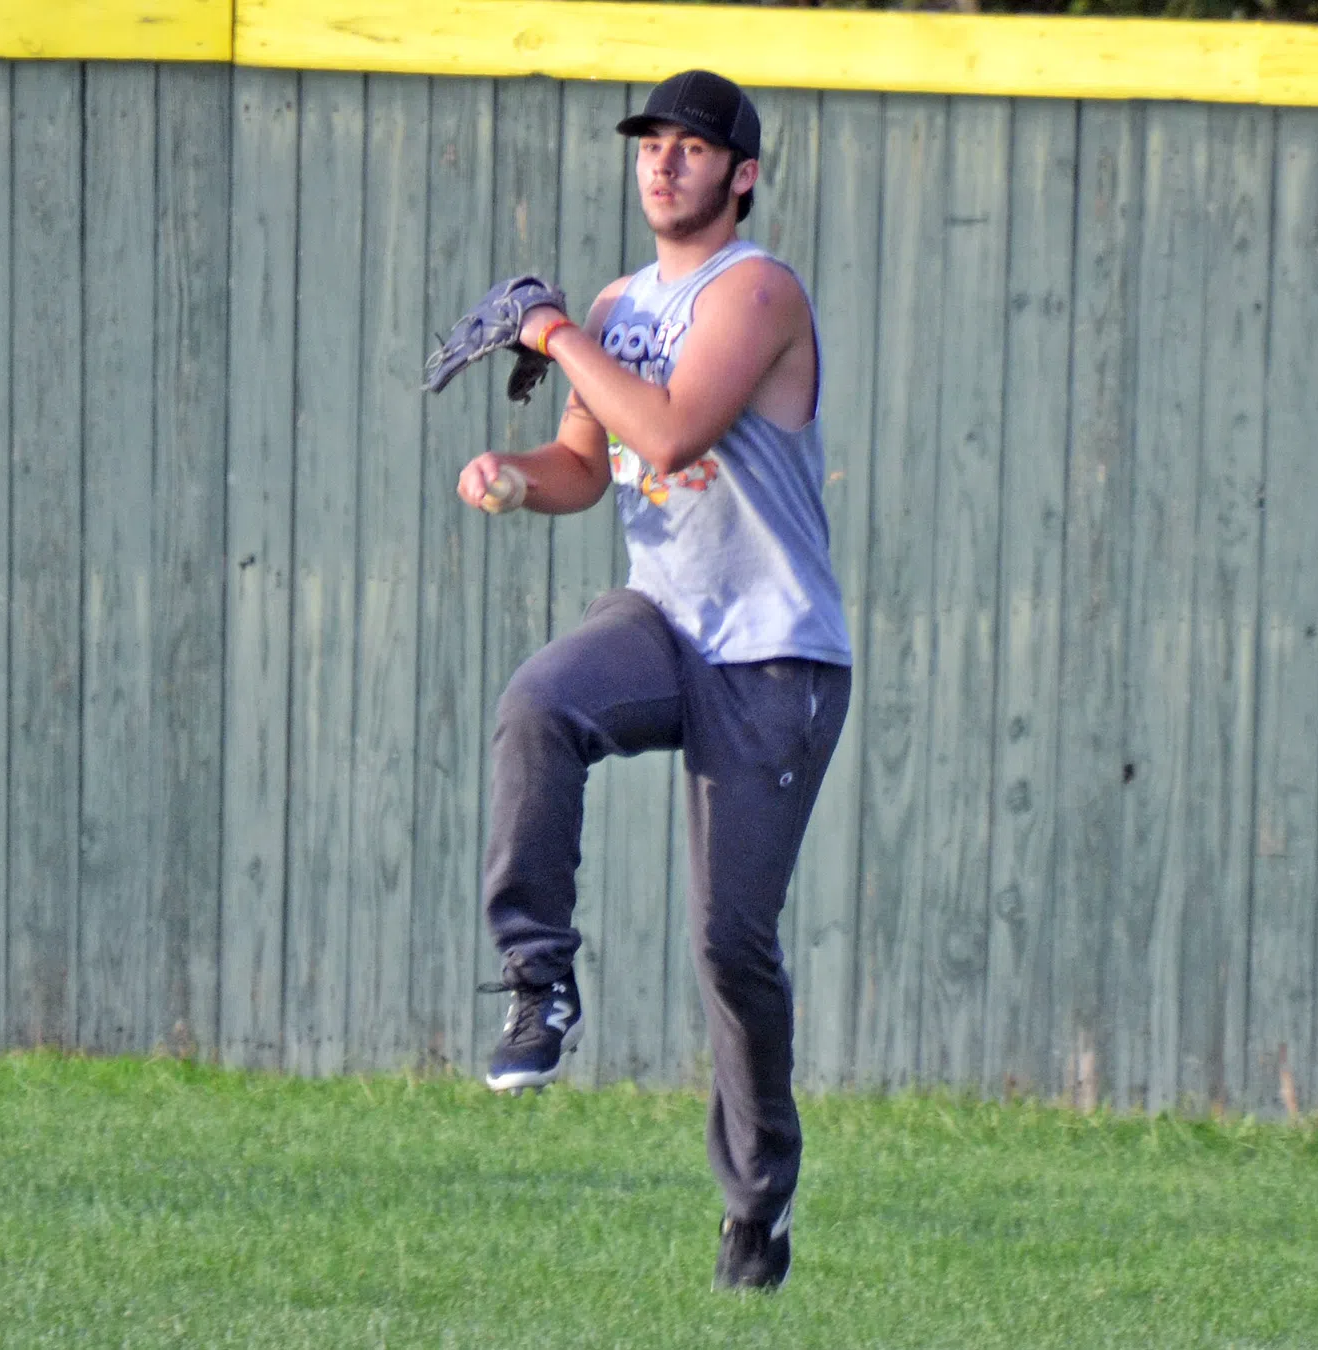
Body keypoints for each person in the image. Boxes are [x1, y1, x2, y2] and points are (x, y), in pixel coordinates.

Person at [455, 69, 849, 1291]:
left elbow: (670, 432)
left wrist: (553, 335)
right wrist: (515, 476)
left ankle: (758, 1207)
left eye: (691, 147)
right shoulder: (619, 305)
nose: (664, 163)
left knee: (731, 946)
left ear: (743, 174)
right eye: (650, 144)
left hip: (776, 652)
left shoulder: (759, 290)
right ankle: (539, 981)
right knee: (541, 703)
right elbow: (591, 464)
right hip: (665, 621)